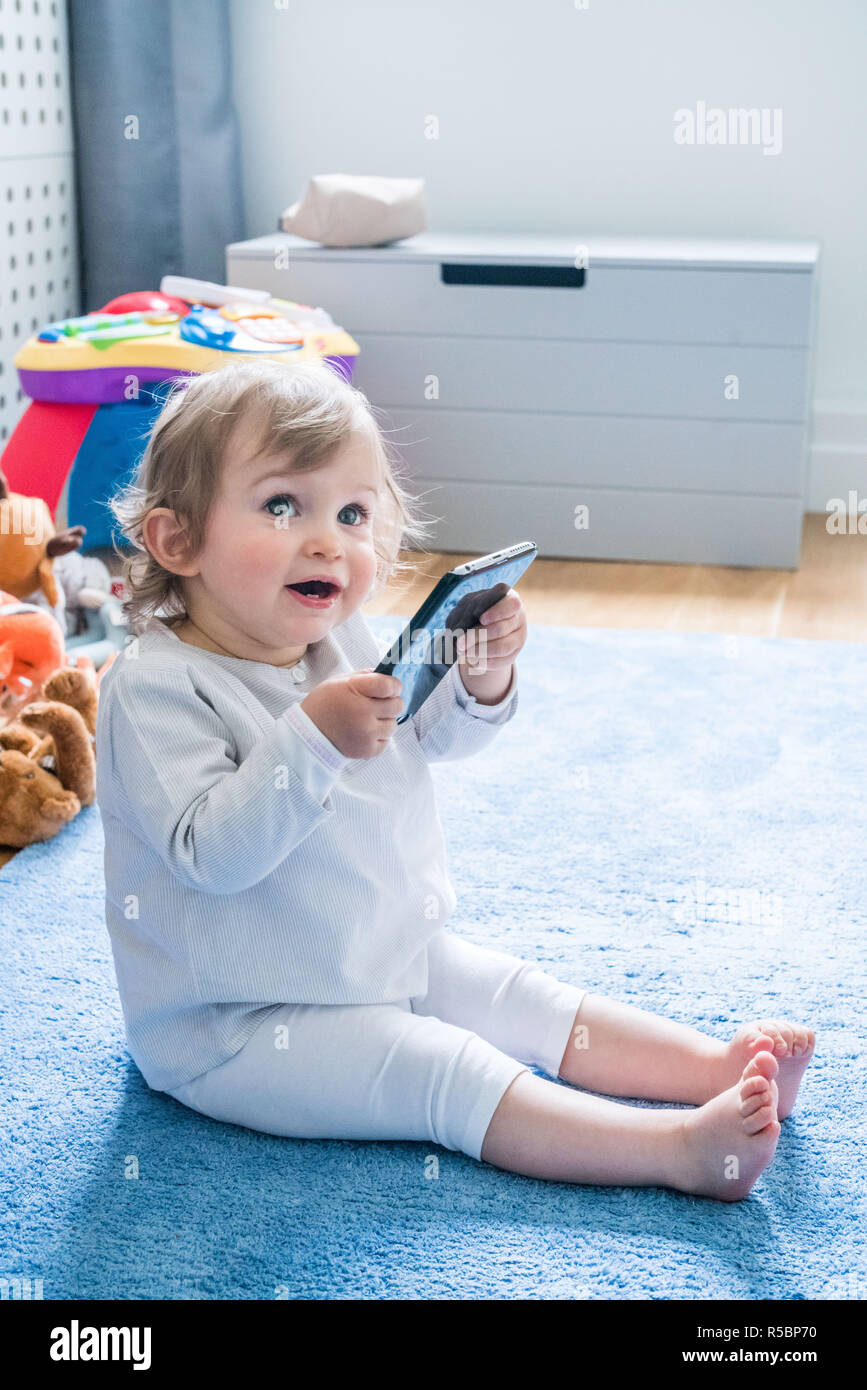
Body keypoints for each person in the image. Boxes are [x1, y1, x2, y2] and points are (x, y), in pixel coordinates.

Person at [96, 356, 814, 1200]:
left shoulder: (339, 637)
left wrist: (478, 680)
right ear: (177, 540)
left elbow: (419, 741)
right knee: (442, 1069)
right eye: (282, 505)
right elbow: (209, 856)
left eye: (354, 512)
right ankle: (672, 1151)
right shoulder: (153, 687)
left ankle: (707, 1066)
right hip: (241, 1023)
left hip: (374, 949)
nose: (329, 539)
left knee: (518, 996)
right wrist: (312, 740)